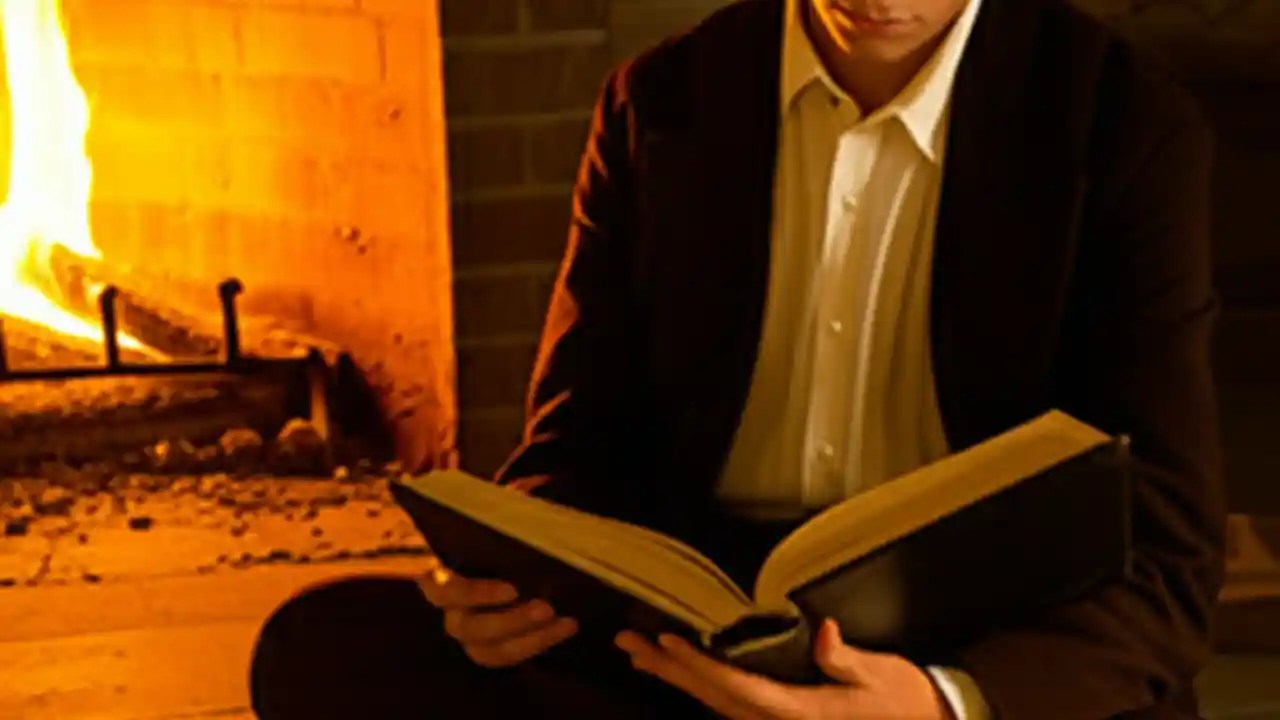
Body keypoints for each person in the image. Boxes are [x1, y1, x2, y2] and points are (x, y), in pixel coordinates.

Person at [249, 0, 1225, 717]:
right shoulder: (661, 101)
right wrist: (515, 586)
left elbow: (1167, 561)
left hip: (972, 642)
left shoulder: (1120, 123)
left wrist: (939, 702)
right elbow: (574, 446)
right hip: (689, 634)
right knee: (327, 652)